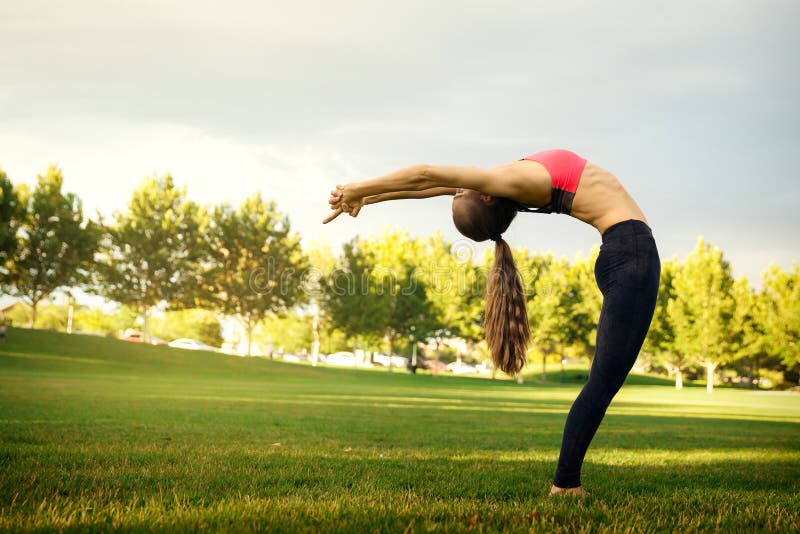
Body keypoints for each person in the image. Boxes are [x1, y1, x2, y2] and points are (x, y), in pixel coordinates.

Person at [323, 149, 661, 497]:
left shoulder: (507, 183)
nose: (457, 187)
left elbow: (430, 185)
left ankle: (566, 481)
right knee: (603, 383)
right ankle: (566, 484)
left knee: (603, 381)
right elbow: (426, 175)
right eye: (462, 190)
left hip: (624, 254)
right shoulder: (512, 181)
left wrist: (368, 195)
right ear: (484, 193)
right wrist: (356, 187)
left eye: (458, 191)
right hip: (632, 256)